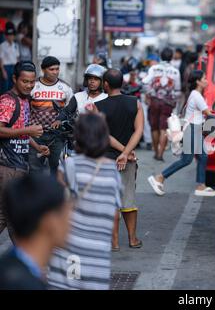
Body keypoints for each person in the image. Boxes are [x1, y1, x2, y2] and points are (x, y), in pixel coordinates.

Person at [47, 113, 122, 290]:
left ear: (78, 137)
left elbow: (55, 203)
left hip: (69, 247)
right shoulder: (113, 171)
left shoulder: (69, 165)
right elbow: (114, 211)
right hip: (98, 254)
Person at [96, 69, 144, 251]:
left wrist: (122, 152)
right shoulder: (135, 103)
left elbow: (104, 135)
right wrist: (127, 153)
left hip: (106, 158)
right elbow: (139, 130)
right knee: (129, 199)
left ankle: (113, 242)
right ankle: (132, 239)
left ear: (105, 84)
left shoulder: (97, 106)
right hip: (129, 159)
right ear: (123, 83)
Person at [148, 70, 215, 197]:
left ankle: (201, 186)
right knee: (186, 160)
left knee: (203, 157)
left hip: (195, 130)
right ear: (198, 82)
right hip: (192, 130)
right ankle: (160, 177)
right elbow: (208, 113)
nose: (206, 80)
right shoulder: (197, 95)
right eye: (204, 78)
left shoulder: (194, 94)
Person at [0, 61, 48, 241]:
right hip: (8, 167)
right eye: (24, 81)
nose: (29, 85)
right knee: (15, 215)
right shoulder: (8, 101)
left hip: (19, 165)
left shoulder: (24, 100)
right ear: (14, 79)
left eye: (32, 82)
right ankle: (27, 261)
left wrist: (36, 146)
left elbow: (19, 130)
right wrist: (27, 130)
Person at [0, 174, 71, 290]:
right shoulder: (23, 283)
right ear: (50, 221)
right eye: (66, 212)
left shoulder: (9, 268)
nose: (72, 220)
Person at [28, 56, 73, 175]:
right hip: (36, 135)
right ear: (43, 70)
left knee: (57, 170)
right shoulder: (33, 86)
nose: (55, 72)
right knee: (34, 169)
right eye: (51, 69)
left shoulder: (66, 88)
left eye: (57, 69)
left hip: (57, 136)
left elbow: (70, 110)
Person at [142, 47, 181, 161]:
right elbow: (178, 90)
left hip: (154, 101)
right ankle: (160, 153)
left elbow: (144, 83)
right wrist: (173, 101)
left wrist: (150, 93)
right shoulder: (175, 71)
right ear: (171, 57)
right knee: (164, 127)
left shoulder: (154, 69)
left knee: (154, 127)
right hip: (167, 103)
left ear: (160, 56)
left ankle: (155, 151)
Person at [0, 22, 20, 94]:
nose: (10, 37)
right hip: (6, 67)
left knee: (13, 85)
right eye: (8, 35)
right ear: (6, 36)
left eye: (11, 35)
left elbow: (17, 58)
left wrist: (18, 68)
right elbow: (1, 59)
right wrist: (3, 71)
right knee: (5, 86)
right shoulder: (2, 45)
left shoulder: (15, 45)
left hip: (14, 67)